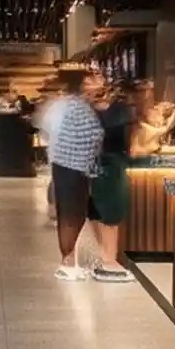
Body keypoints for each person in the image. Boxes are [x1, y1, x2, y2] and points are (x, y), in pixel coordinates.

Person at [48, 70, 105, 281]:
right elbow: (93, 134)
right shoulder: (77, 107)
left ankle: (70, 261)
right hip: (74, 167)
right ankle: (67, 262)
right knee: (73, 215)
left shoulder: (67, 105)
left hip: (65, 165)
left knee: (70, 214)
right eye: (90, 81)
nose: (95, 85)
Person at [87, 79, 139, 282]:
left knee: (96, 211)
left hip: (95, 165)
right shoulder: (121, 113)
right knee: (111, 215)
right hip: (112, 165)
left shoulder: (90, 112)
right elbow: (133, 147)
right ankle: (109, 261)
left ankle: (103, 255)